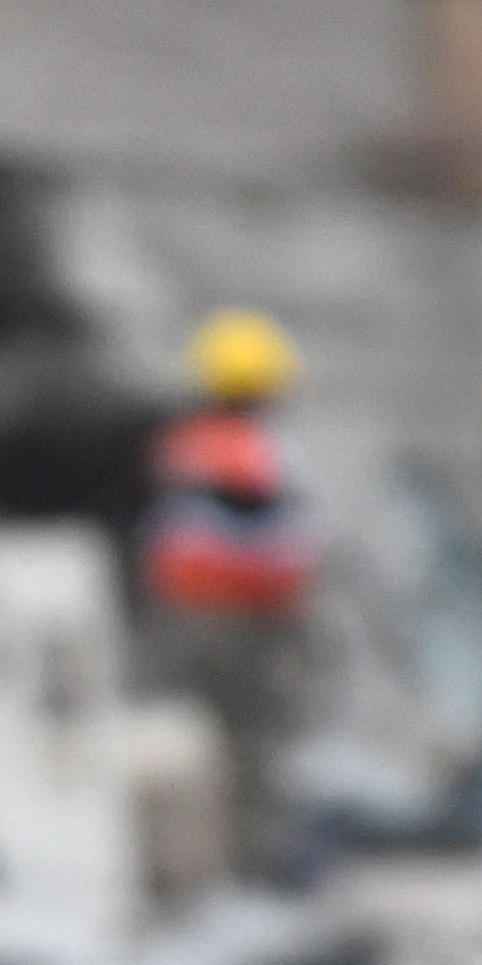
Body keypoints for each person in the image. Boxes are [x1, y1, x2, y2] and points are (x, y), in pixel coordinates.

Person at [144, 308, 320, 880]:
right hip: (247, 623)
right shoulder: (260, 454)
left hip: (187, 618)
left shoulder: (183, 445)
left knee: (197, 741)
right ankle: (254, 864)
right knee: (251, 746)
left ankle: (198, 864)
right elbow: (277, 548)